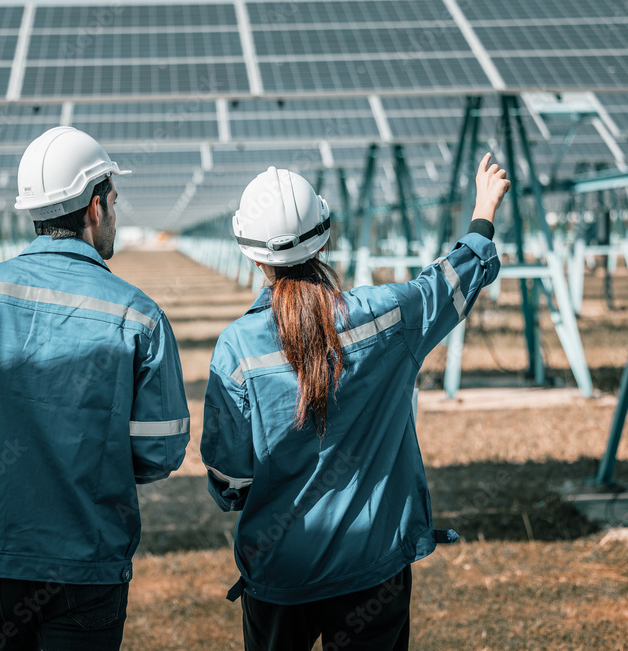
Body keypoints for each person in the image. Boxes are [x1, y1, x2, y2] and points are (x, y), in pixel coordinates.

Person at [201, 154, 509, 650]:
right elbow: (450, 281)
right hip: (372, 568)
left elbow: (230, 478)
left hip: (282, 574)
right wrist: (483, 211)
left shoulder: (237, 348)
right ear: (327, 236)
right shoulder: (389, 318)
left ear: (252, 255)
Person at [0, 126, 190, 651]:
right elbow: (159, 450)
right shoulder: (138, 315)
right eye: (114, 201)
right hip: (89, 562)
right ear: (95, 208)